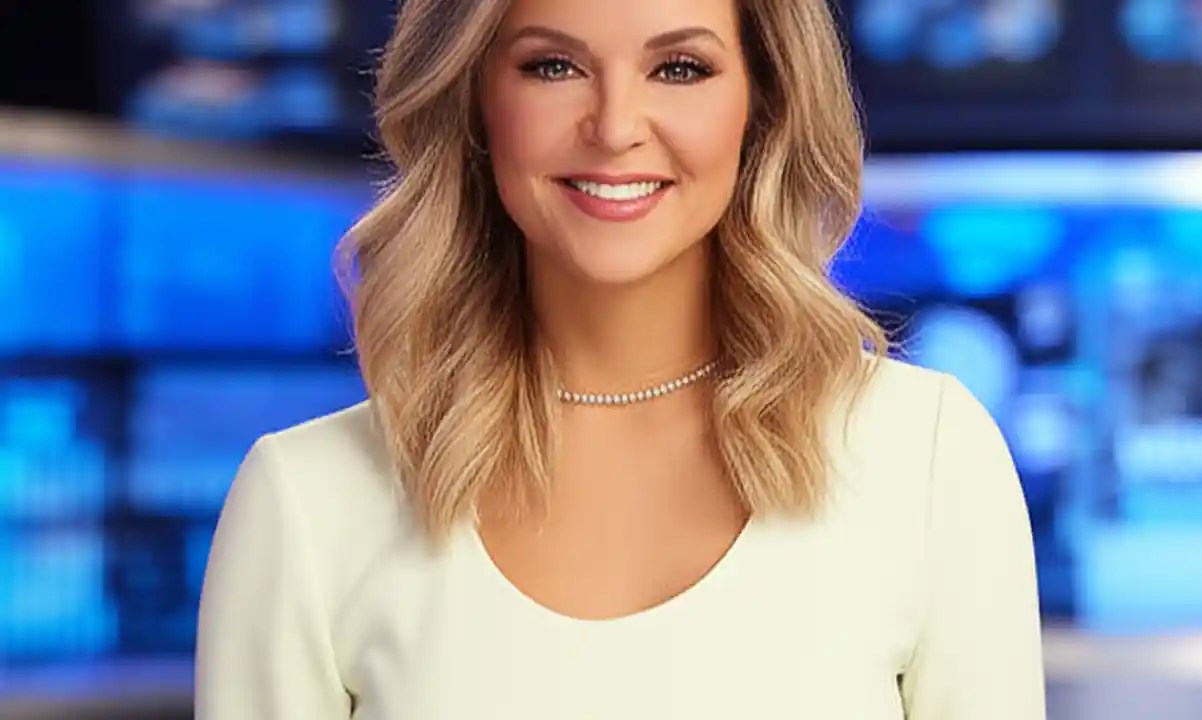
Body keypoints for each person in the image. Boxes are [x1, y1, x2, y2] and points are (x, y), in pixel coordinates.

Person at [194, 0, 1046, 717]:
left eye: (679, 69)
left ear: (764, 105)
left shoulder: (926, 457)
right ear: (476, 103)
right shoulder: (307, 505)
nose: (613, 128)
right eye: (552, 67)